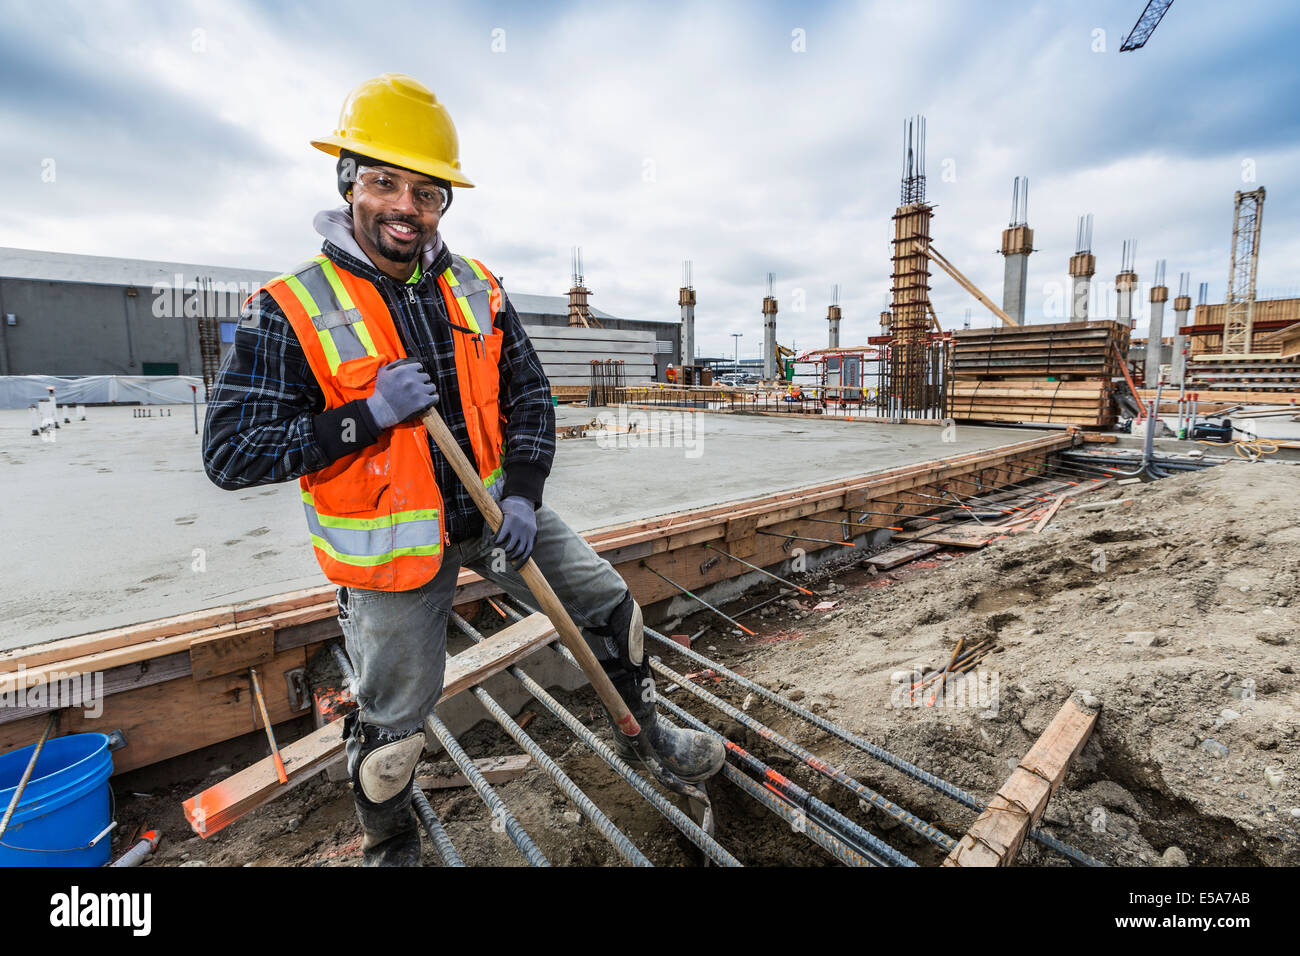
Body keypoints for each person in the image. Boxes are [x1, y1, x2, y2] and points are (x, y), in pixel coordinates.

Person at [202, 74, 724, 866]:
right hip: (393, 548)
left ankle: (648, 735)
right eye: (383, 182)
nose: (405, 207)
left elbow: (531, 399)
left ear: (444, 202)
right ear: (348, 183)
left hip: (492, 512)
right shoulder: (292, 306)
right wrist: (362, 416)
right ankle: (392, 841)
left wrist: (522, 494)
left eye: (427, 191)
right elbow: (231, 453)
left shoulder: (477, 286)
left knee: (612, 612)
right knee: (391, 729)